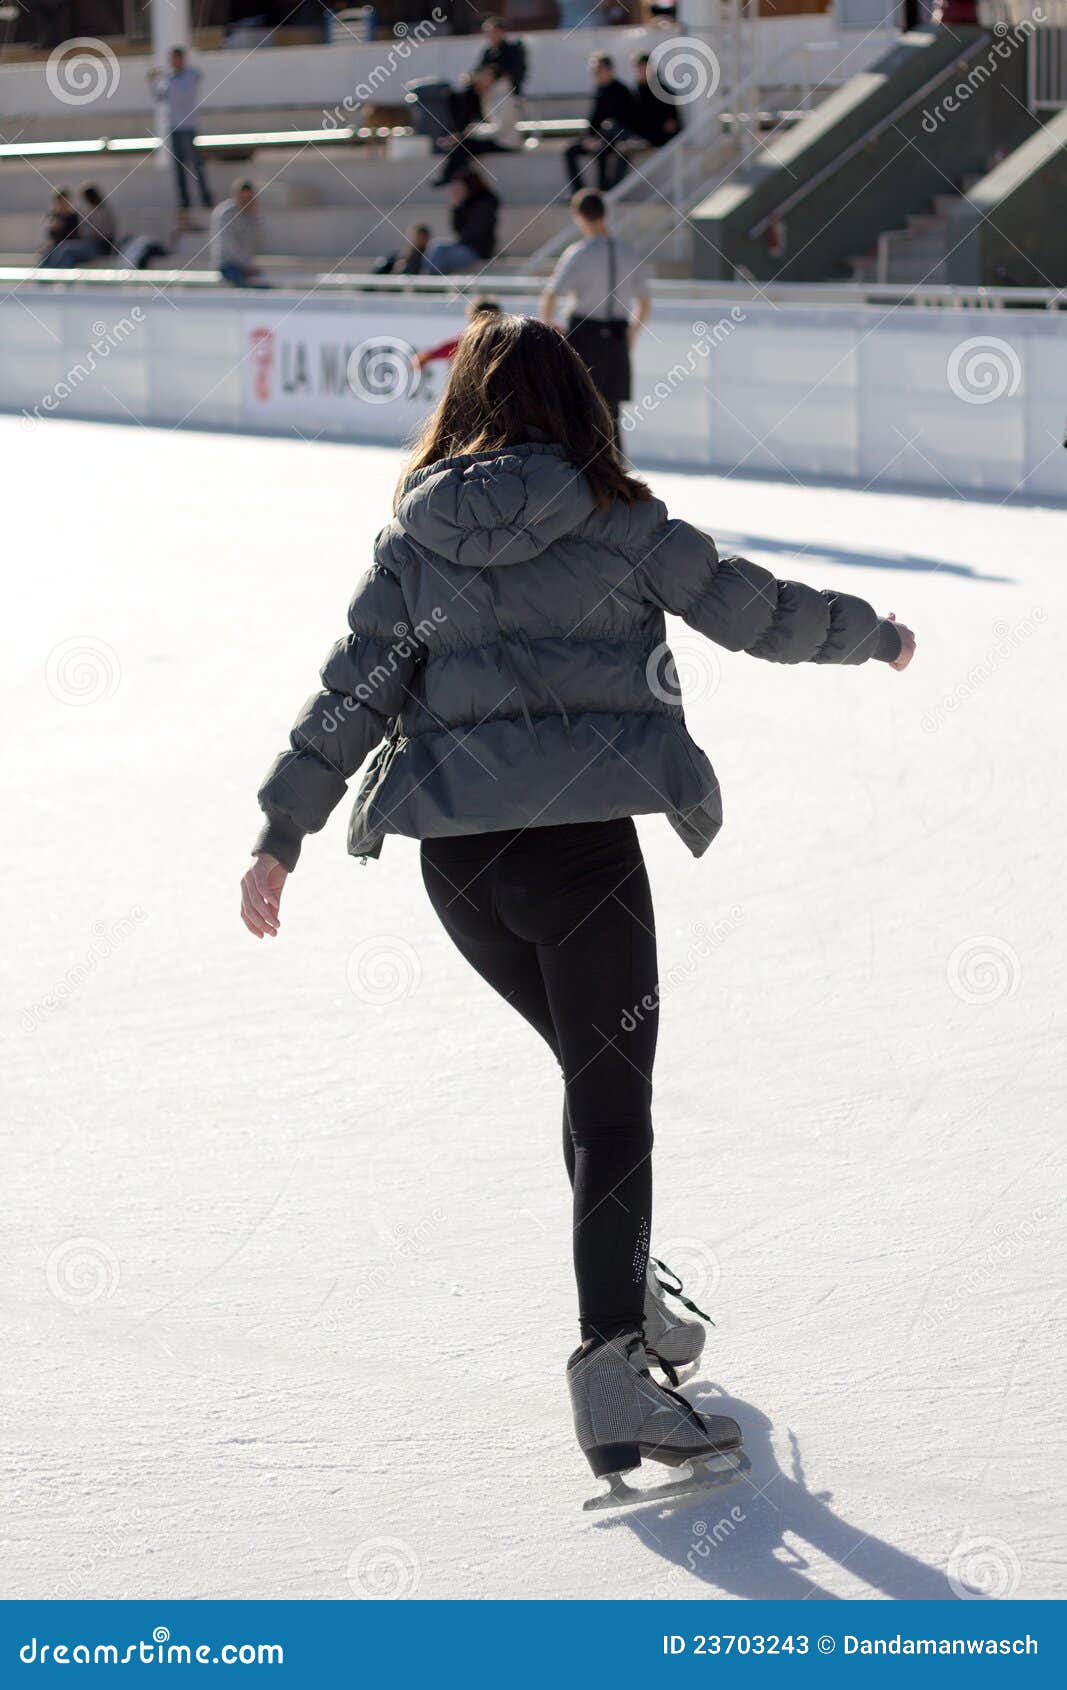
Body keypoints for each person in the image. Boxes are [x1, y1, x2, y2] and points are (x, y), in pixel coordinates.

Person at [240, 313, 916, 1498]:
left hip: (460, 871)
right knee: (612, 1108)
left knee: (590, 1077)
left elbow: (352, 690)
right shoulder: (616, 519)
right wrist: (878, 633)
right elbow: (756, 611)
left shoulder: (415, 534)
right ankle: (611, 1368)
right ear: (579, 405)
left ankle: (626, 1295)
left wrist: (278, 832)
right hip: (578, 860)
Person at [540, 190, 651, 445]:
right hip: (617, 335)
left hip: (584, 333)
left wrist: (548, 325)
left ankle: (579, 461)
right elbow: (645, 301)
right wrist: (632, 332)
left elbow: (551, 294)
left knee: (578, 405)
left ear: (579, 216)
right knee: (612, 412)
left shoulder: (579, 252)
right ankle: (613, 463)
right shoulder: (628, 252)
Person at [147, 46, 212, 229]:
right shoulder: (169, 79)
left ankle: (205, 198)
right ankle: (184, 201)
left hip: (188, 126)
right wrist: (152, 81)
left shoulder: (190, 75)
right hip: (174, 127)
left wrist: (165, 79)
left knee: (196, 164)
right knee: (179, 167)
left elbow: (183, 95)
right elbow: (159, 97)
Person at [564, 54, 638, 198]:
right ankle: (579, 193)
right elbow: (594, 119)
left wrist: (600, 137)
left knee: (601, 148)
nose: (595, 73)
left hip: (616, 139)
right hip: (599, 138)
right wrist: (588, 137)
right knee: (570, 150)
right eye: (594, 70)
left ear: (609, 69)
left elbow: (622, 122)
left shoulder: (622, 90)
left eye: (599, 69)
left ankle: (603, 191)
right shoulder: (599, 90)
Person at [424, 171, 499, 274]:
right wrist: (456, 208)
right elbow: (457, 229)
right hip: (464, 246)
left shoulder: (485, 204)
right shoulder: (463, 205)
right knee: (436, 246)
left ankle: (433, 279)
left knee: (440, 255)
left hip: (477, 250)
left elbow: (475, 231)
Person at [414, 297, 502, 369]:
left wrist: (427, 356)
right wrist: (427, 356)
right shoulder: (465, 342)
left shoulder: (466, 342)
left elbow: (450, 347)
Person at [209, 179, 265, 288]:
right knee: (245, 284)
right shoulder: (225, 214)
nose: (245, 200)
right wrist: (246, 265)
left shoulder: (250, 214)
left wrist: (254, 217)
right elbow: (230, 246)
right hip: (227, 265)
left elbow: (257, 240)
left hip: (245, 264)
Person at [631, 52, 682, 149]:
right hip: (643, 140)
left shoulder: (663, 91)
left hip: (664, 141)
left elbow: (672, 123)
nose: (641, 71)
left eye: (643, 67)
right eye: (638, 68)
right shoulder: (635, 93)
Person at [37, 188, 80, 267]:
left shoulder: (74, 217)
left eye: (64, 202)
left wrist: (62, 227)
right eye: (59, 203)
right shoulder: (53, 216)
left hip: (67, 247)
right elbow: (50, 237)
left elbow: (76, 237)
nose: (62, 205)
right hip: (54, 247)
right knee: (46, 256)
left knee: (62, 255)